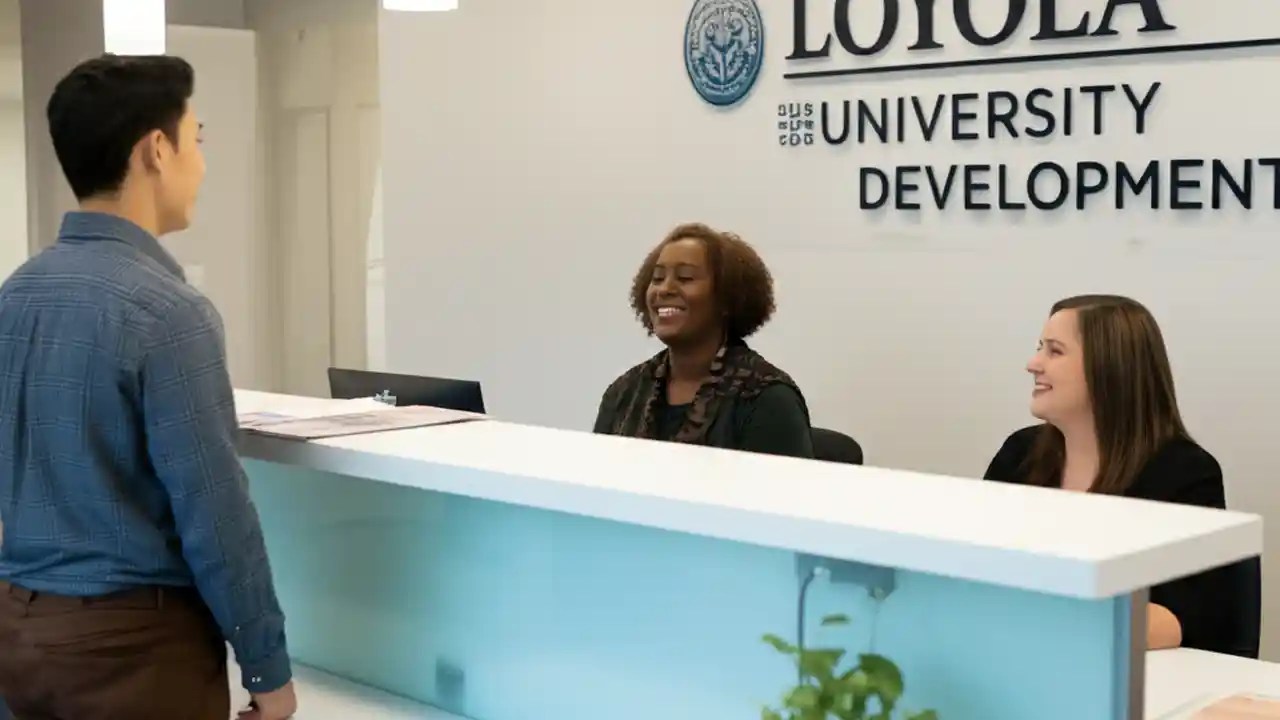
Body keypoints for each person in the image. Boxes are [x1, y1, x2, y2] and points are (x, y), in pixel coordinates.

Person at [0, 56, 296, 719]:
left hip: (18, 638)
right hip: (134, 655)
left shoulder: (14, 297)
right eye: (198, 139)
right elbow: (217, 519)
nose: (202, 163)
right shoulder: (168, 312)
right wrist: (268, 673)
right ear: (156, 151)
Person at [984, 294, 1234, 653]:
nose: (1033, 364)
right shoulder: (1019, 453)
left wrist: (1035, 618)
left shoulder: (1185, 473)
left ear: (1108, 368)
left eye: (1054, 351)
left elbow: (1181, 620)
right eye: (1040, 348)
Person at [593, 223, 813, 458]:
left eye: (685, 277)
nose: (664, 289)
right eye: (657, 278)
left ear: (727, 298)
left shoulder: (767, 399)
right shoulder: (624, 393)